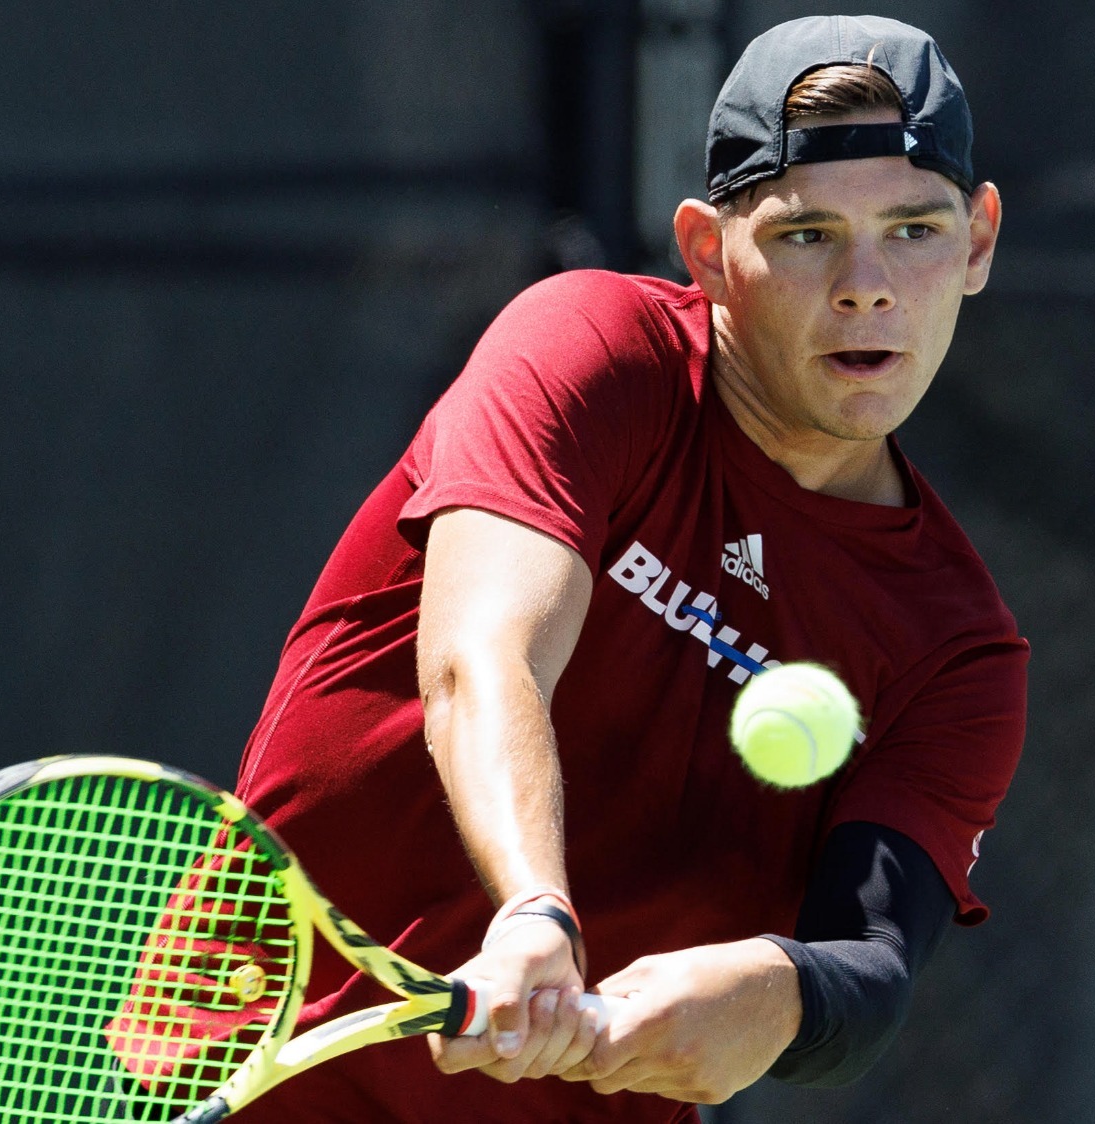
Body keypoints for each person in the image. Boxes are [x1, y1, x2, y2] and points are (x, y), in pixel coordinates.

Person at [228, 14, 1026, 1121]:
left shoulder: (957, 655)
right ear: (705, 251)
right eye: (803, 235)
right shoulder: (590, 352)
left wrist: (777, 993)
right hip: (240, 1066)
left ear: (977, 241)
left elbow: (868, 966)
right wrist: (535, 913)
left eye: (912, 227)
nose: (865, 284)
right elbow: (483, 656)